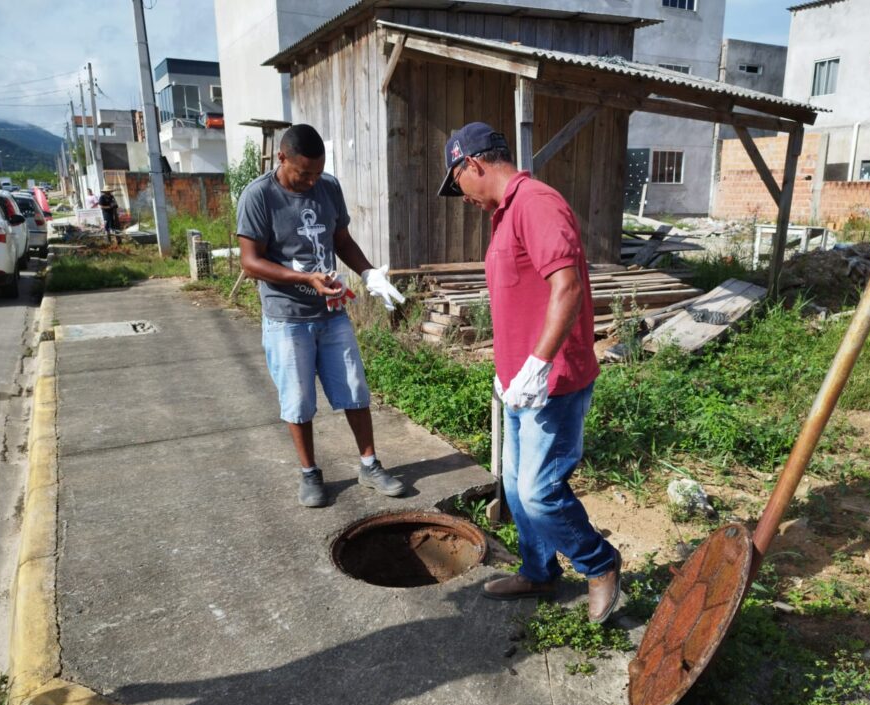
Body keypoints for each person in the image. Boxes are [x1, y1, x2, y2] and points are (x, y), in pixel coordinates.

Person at [438, 122, 621, 624]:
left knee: (540, 493)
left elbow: (568, 288)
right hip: (520, 386)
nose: (462, 197)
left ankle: (600, 564)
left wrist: (538, 365)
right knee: (516, 489)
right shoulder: (506, 214)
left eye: (458, 185)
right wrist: (507, 370)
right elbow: (521, 300)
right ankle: (540, 572)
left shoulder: (536, 202)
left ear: (471, 164)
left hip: (553, 382)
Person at [237, 124, 408, 508]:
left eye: (317, 172)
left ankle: (369, 465)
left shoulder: (327, 187)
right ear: (282, 158)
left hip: (331, 313)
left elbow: (341, 240)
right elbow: (250, 262)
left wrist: (368, 273)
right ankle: (310, 474)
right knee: (297, 400)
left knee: (354, 389)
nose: (312, 181)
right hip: (286, 317)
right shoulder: (258, 196)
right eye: (304, 174)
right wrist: (304, 279)